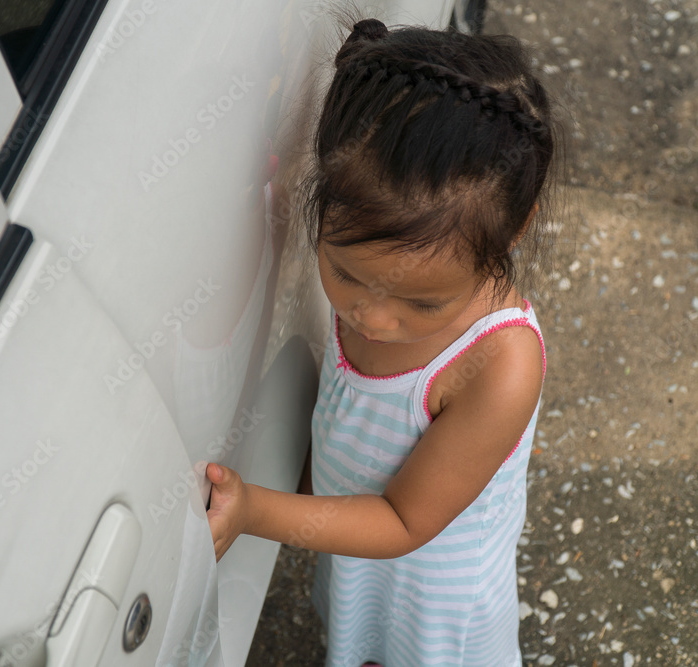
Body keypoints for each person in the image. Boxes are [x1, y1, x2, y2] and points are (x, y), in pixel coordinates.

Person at [205, 17, 557, 667]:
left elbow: (402, 521)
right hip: (363, 556)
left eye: (421, 301)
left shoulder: (498, 363)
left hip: (436, 605)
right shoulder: (380, 288)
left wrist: (255, 508)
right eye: (344, 273)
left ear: (514, 231)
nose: (372, 315)